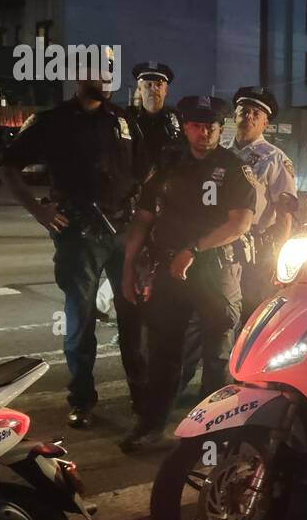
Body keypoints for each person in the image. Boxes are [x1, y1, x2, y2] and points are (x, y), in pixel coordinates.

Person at [1, 74, 151, 427]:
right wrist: (39, 210)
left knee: (134, 317)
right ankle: (82, 400)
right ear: (78, 77)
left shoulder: (124, 120)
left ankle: (143, 396)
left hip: (123, 232)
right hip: (79, 235)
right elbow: (7, 166)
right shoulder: (52, 121)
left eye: (110, 72)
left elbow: (146, 170)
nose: (105, 79)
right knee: (80, 322)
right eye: (97, 73)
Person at [119, 95, 256, 451]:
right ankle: (151, 426)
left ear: (221, 128)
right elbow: (143, 220)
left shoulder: (235, 168)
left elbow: (239, 224)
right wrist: (128, 267)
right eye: (196, 124)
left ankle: (213, 432)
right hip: (169, 269)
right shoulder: (168, 167)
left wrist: (192, 249)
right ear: (184, 126)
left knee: (218, 354)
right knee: (163, 351)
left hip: (216, 269)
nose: (204, 132)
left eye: (211, 125)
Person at [228, 86, 297, 320]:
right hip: (222, 242)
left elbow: (285, 213)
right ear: (234, 116)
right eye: (244, 111)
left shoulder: (275, 159)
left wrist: (278, 256)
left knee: (252, 312)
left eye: (256, 114)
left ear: (265, 123)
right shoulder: (221, 154)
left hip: (255, 247)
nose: (248, 117)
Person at [130, 61, 186, 172]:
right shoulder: (128, 119)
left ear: (166, 90)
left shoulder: (178, 121)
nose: (153, 89)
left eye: (159, 85)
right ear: (140, 90)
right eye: (148, 85)